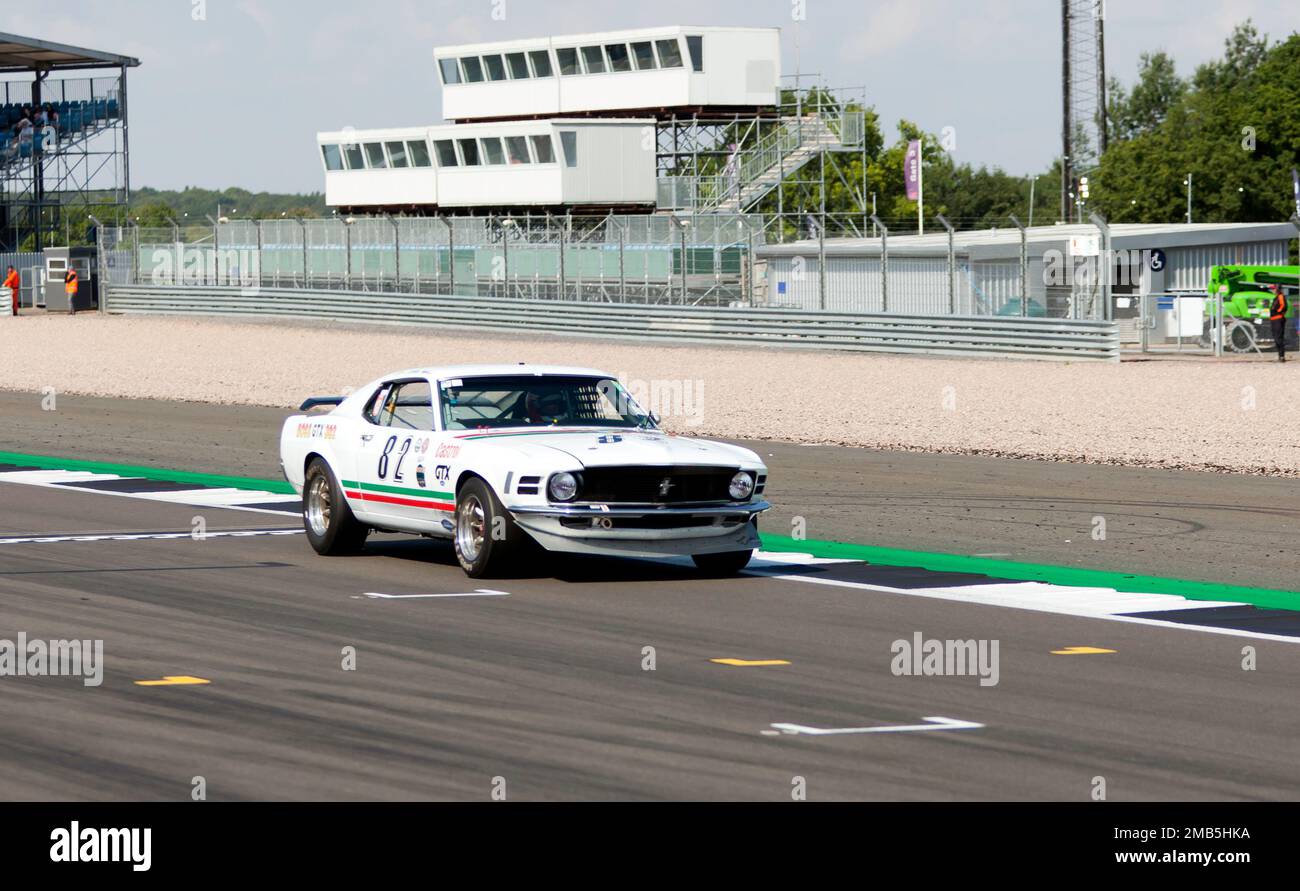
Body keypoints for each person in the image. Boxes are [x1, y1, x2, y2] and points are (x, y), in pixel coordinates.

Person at [1268, 284, 1289, 363]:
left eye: (1274, 289)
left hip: (1278, 319)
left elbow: (1284, 306)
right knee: (1276, 338)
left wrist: (1278, 312)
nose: (1272, 290)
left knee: (1278, 338)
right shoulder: (1276, 297)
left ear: (1277, 289)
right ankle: (1280, 356)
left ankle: (1281, 356)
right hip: (1274, 319)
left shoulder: (1280, 296)